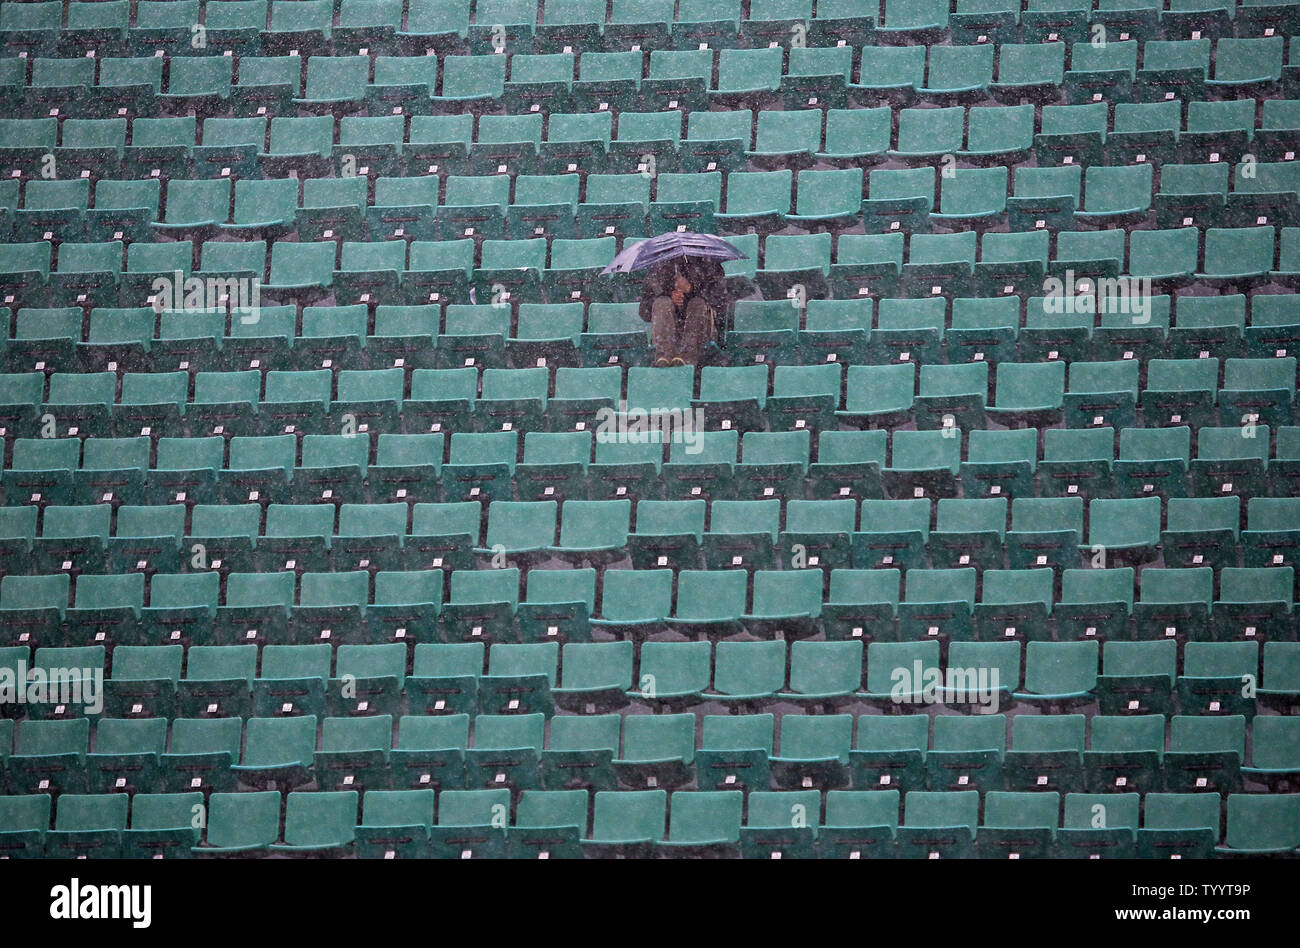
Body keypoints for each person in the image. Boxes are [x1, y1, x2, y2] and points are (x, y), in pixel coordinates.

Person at [639, 255, 727, 367]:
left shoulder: (710, 265)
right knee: (662, 302)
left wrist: (690, 290)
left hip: (701, 329)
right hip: (669, 331)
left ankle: (687, 358)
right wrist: (669, 295)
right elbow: (644, 313)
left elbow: (720, 304)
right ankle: (664, 357)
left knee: (697, 303)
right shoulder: (657, 268)